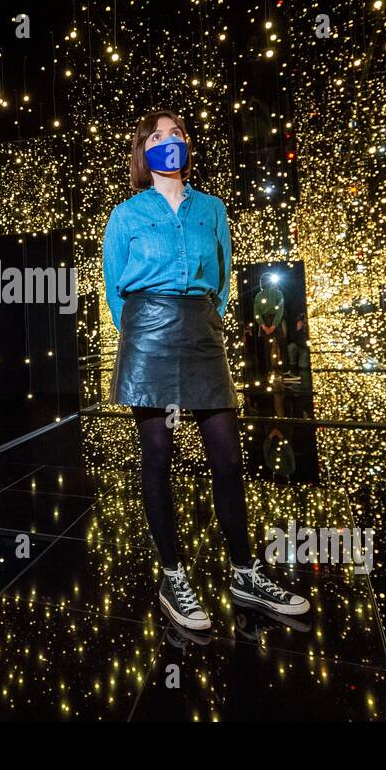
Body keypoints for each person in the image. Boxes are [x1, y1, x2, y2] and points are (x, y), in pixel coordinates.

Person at [103, 109, 309, 631]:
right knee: (157, 458)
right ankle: (172, 575)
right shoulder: (126, 214)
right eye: (157, 135)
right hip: (147, 330)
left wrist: (205, 322)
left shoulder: (212, 208)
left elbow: (221, 276)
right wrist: (141, 329)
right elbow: (113, 287)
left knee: (228, 457)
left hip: (201, 330)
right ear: (143, 150)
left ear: (187, 147)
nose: (169, 141)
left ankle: (245, 571)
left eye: (177, 134)